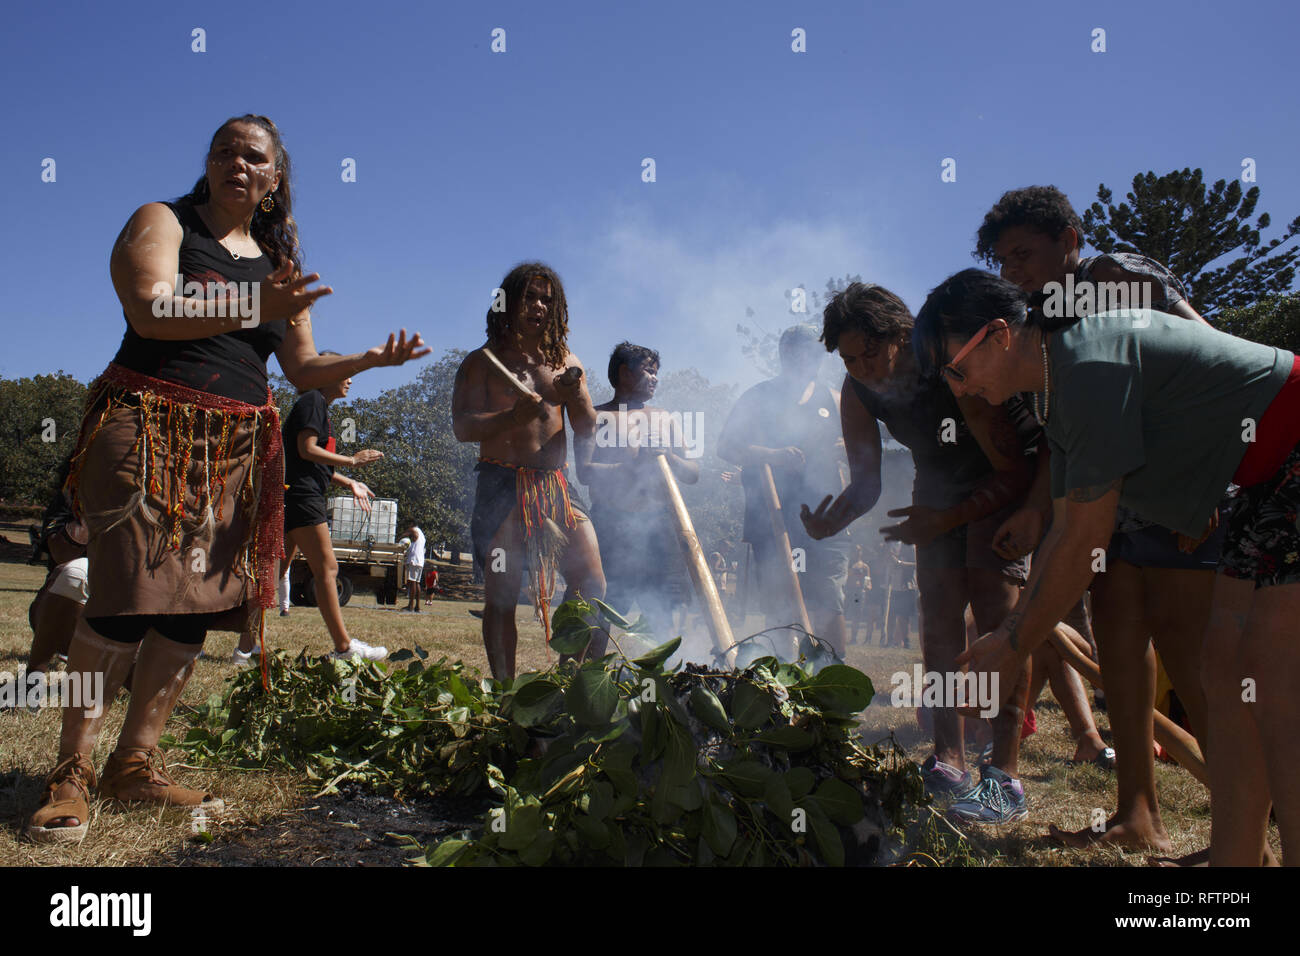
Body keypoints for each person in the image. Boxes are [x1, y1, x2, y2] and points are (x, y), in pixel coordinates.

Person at [26, 114, 427, 846]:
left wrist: (368, 360)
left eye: (253, 157)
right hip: (146, 425)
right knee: (122, 597)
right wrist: (256, 305)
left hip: (235, 448)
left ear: (275, 180)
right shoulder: (167, 221)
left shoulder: (277, 262)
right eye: (223, 151)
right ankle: (71, 770)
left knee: (190, 605)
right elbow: (149, 309)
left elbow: (303, 370)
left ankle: (134, 764)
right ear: (208, 164)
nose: (236, 163)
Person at [913, 267, 1300, 865]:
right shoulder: (1053, 387)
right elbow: (1066, 531)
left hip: (1294, 455)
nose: (957, 390)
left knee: (1271, 680)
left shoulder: (1088, 364)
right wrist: (1008, 637)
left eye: (956, 369)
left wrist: (1013, 642)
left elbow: (1087, 534)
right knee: (1226, 677)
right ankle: (1238, 864)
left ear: (998, 335)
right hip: (1261, 483)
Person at [975, 185, 1217, 847]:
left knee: (1191, 660)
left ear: (1071, 241)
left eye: (1025, 252)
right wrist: (1034, 512)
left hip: (1179, 489)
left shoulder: (1114, 278)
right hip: (1117, 504)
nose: (1015, 269)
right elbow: (1067, 435)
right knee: (1119, 644)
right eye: (1004, 260)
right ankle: (1139, 815)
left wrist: (1210, 479)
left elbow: (1206, 361)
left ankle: (1245, 819)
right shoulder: (1047, 325)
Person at [800, 283, 1041, 823]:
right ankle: (948, 758)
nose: (862, 367)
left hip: (997, 490)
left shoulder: (950, 365)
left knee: (999, 623)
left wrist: (952, 518)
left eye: (871, 353)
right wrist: (826, 524)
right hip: (934, 492)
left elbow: (1014, 468)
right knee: (937, 626)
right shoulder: (857, 390)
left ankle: (1004, 776)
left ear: (902, 336)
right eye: (849, 358)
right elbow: (865, 483)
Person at [451, 263, 606, 679]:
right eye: (529, 297)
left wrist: (576, 398)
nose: (538, 306)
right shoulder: (481, 363)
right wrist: (510, 417)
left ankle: (568, 683)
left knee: (593, 584)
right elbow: (463, 427)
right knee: (501, 597)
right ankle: (505, 695)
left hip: (555, 486)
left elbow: (588, 427)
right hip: (501, 486)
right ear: (507, 302)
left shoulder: (566, 362)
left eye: (546, 299)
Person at [718, 325, 853, 659]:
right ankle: (784, 679)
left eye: (817, 353)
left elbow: (858, 450)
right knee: (780, 603)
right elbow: (726, 446)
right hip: (774, 518)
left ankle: (831, 677)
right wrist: (772, 455)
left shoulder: (834, 400)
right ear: (785, 354)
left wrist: (844, 446)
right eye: (804, 352)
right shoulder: (757, 397)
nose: (812, 360)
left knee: (827, 598)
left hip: (826, 519)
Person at [576, 342, 699, 633]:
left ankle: (664, 675)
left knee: (664, 612)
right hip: (611, 524)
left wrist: (666, 456)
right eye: (649, 371)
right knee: (602, 608)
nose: (656, 378)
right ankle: (588, 673)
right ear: (625, 373)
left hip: (659, 526)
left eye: (657, 372)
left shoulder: (664, 417)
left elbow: (693, 472)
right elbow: (585, 472)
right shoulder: (596, 416)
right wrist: (631, 468)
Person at [274, 370, 387, 656]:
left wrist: (349, 482)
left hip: (294, 493)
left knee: (275, 571)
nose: (349, 379)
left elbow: (314, 463)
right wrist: (352, 460)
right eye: (345, 373)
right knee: (327, 569)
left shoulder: (319, 407)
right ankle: (344, 647)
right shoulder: (313, 400)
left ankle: (245, 648)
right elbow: (306, 448)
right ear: (323, 374)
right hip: (302, 496)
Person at [403, 521, 426, 612]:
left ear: (412, 524)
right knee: (417, 583)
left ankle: (410, 605)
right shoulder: (422, 535)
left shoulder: (414, 530)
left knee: (412, 582)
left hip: (414, 560)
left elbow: (409, 533)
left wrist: (399, 538)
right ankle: (417, 606)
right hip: (420, 560)